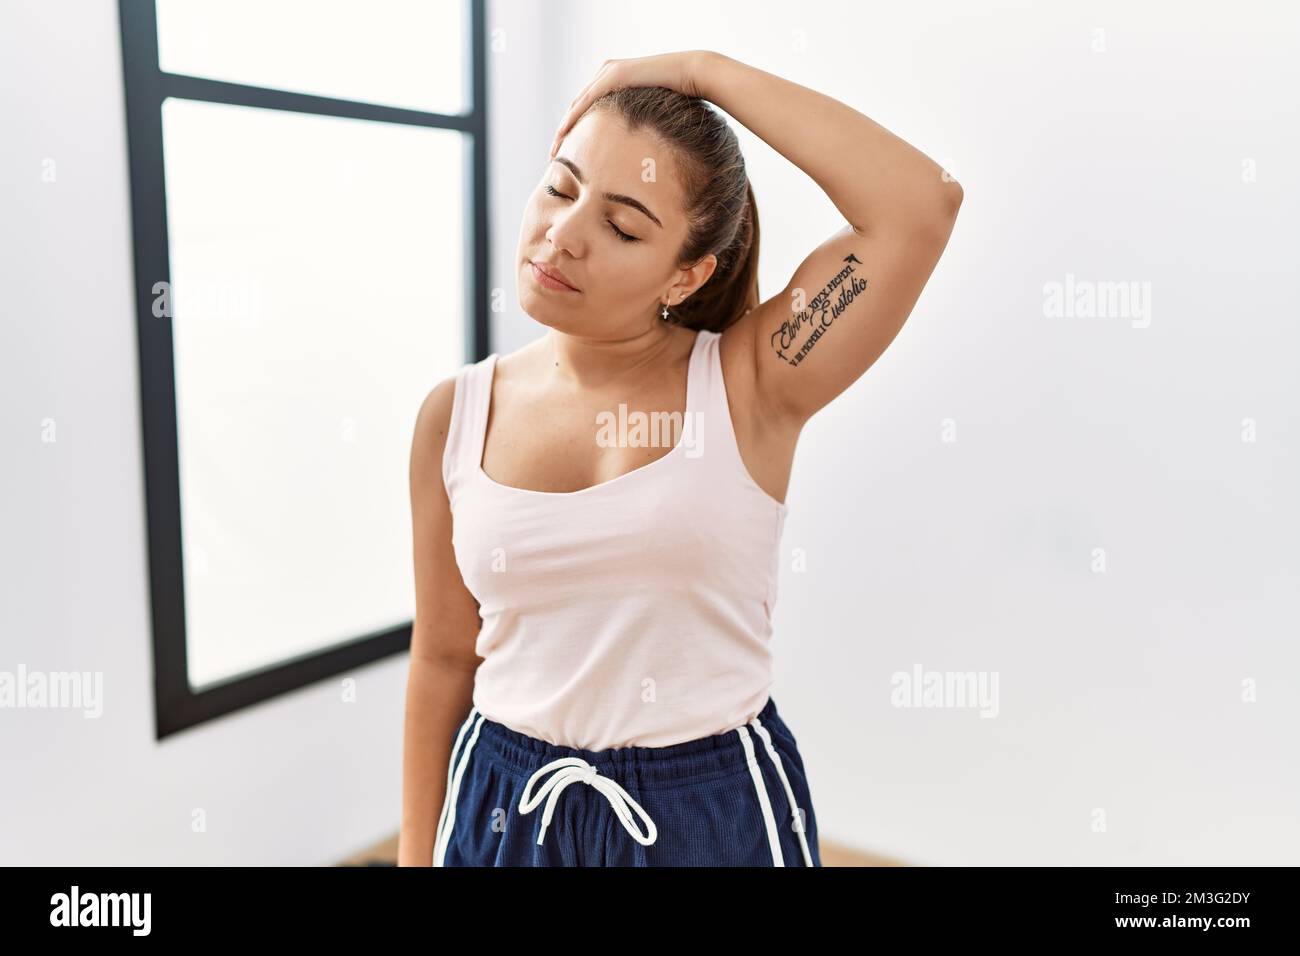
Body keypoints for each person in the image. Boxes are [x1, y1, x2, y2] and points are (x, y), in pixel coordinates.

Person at [400, 50, 963, 866]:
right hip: (502, 801)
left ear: (688, 272)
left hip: (703, 815)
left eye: (623, 225)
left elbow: (920, 206)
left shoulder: (751, 383)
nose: (563, 233)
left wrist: (705, 72)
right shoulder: (454, 417)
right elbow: (444, 657)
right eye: (560, 187)